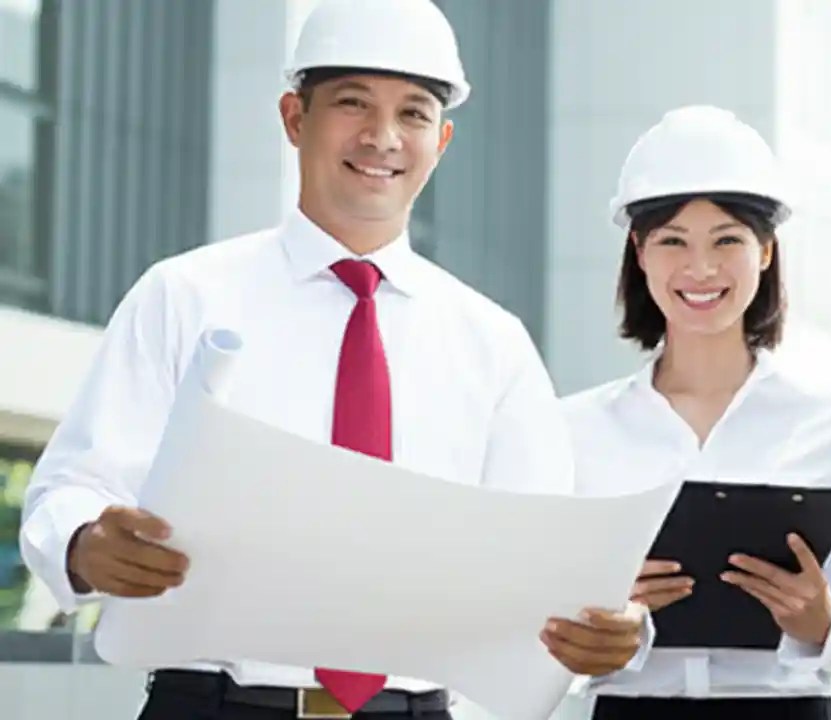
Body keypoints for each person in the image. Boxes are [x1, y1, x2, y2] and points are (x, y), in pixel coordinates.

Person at [19, 1, 644, 718]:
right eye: (353, 103)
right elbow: (71, 486)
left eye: (412, 113)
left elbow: (546, 564)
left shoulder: (493, 344)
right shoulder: (185, 296)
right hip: (214, 704)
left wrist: (615, 628)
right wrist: (83, 542)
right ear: (294, 117)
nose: (382, 137)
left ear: (440, 141)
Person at [562, 105, 831, 720]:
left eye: (727, 240)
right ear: (639, 251)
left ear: (766, 250)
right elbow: (541, 624)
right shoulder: (574, 430)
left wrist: (823, 623)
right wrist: (606, 619)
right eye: (672, 242)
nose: (700, 268)